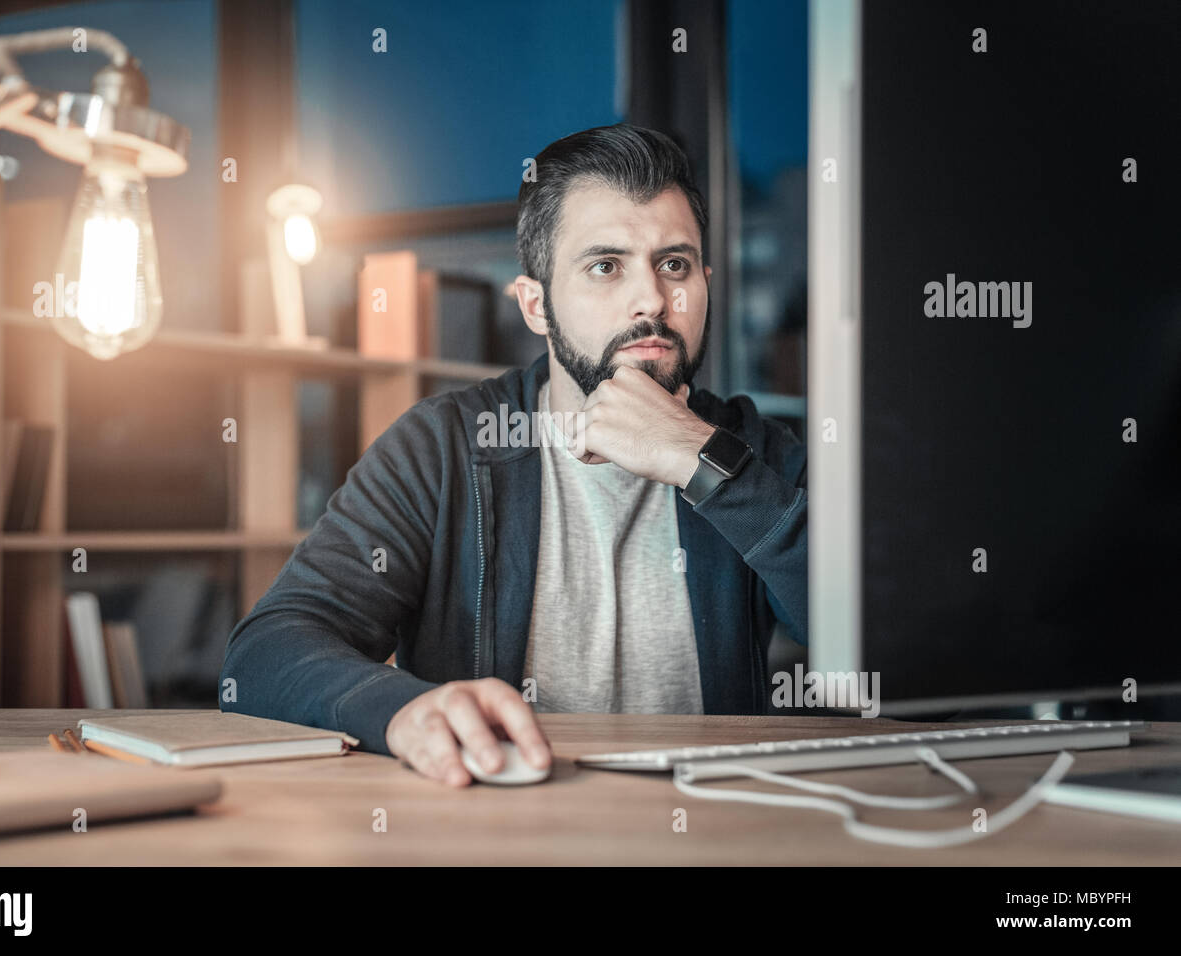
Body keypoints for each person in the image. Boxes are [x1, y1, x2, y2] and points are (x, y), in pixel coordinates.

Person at [220, 124, 808, 786]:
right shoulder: (439, 450)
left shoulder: (756, 451)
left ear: (704, 282)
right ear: (535, 305)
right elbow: (265, 654)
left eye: (673, 264)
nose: (650, 299)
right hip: (494, 830)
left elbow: (886, 642)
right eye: (605, 266)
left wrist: (708, 466)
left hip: (712, 829)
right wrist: (403, 710)